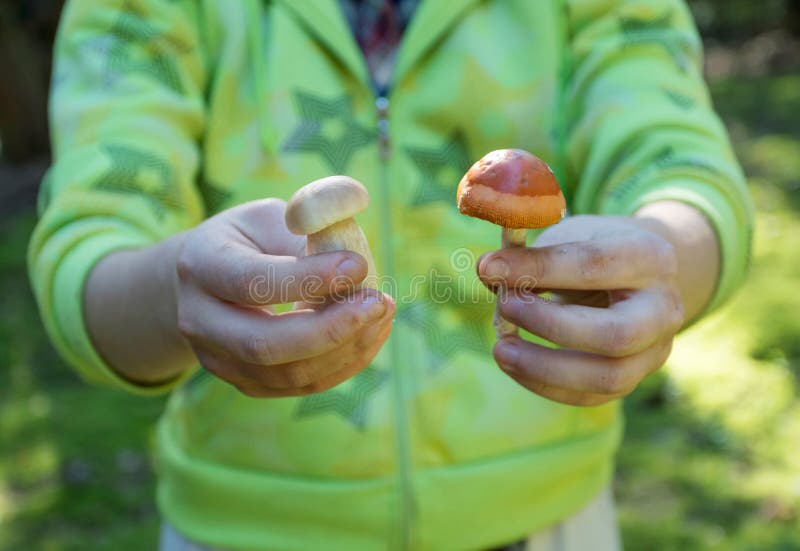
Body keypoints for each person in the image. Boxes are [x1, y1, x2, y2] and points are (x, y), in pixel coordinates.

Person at [29, 0, 753, 549]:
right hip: (244, 526)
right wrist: (174, 287)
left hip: (549, 519)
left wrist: (669, 249)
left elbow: (675, 154)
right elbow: (94, 238)